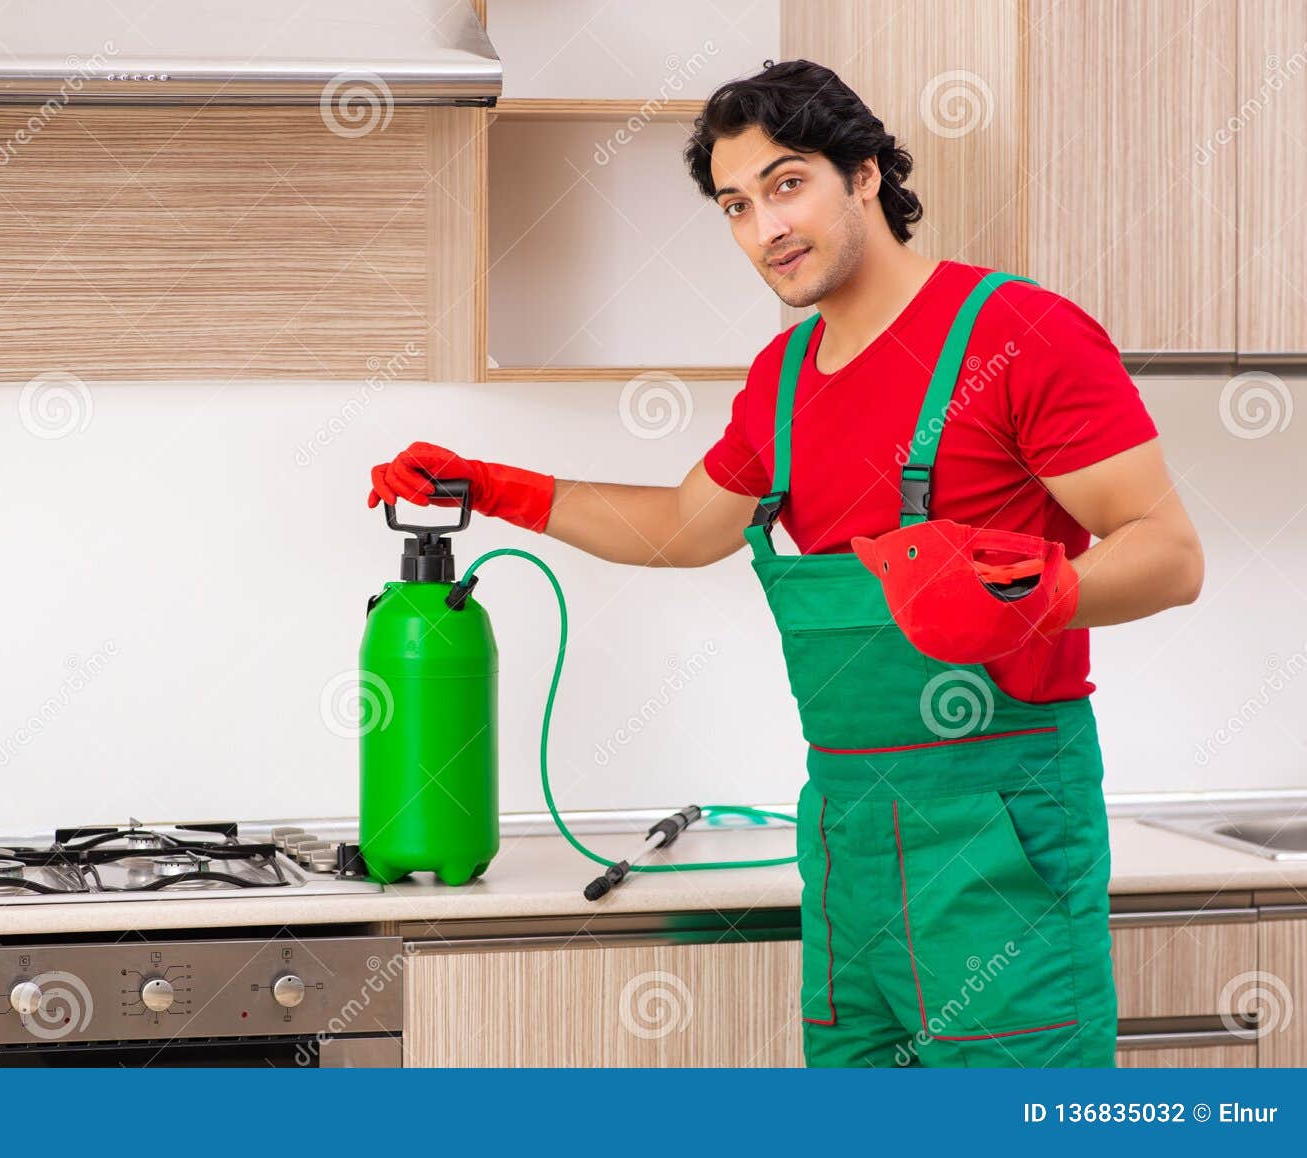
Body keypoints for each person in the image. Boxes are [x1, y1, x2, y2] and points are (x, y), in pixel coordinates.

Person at [367, 59, 1203, 1068]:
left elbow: (1169, 553)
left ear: (863, 174)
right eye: (733, 205)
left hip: (1002, 823)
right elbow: (682, 527)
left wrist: (1033, 599)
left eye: (786, 182)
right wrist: (493, 487)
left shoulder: (1018, 335)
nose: (764, 228)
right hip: (845, 830)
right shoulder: (784, 380)